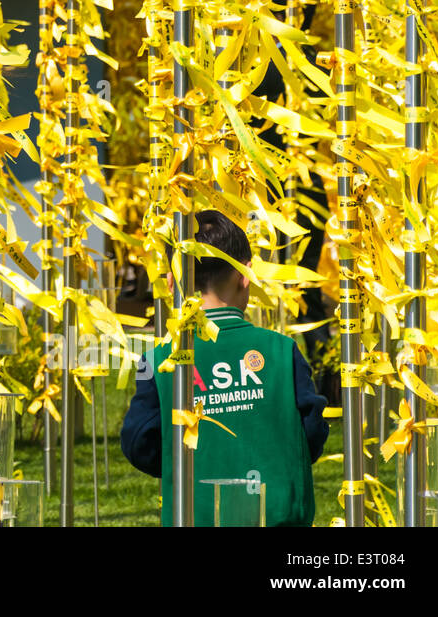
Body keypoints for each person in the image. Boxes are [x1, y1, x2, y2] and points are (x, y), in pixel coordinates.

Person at [119, 210, 329, 527]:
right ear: (246, 274)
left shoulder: (160, 359)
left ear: (172, 281)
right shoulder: (281, 350)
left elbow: (138, 442)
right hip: (279, 517)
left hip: (194, 517)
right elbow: (312, 430)